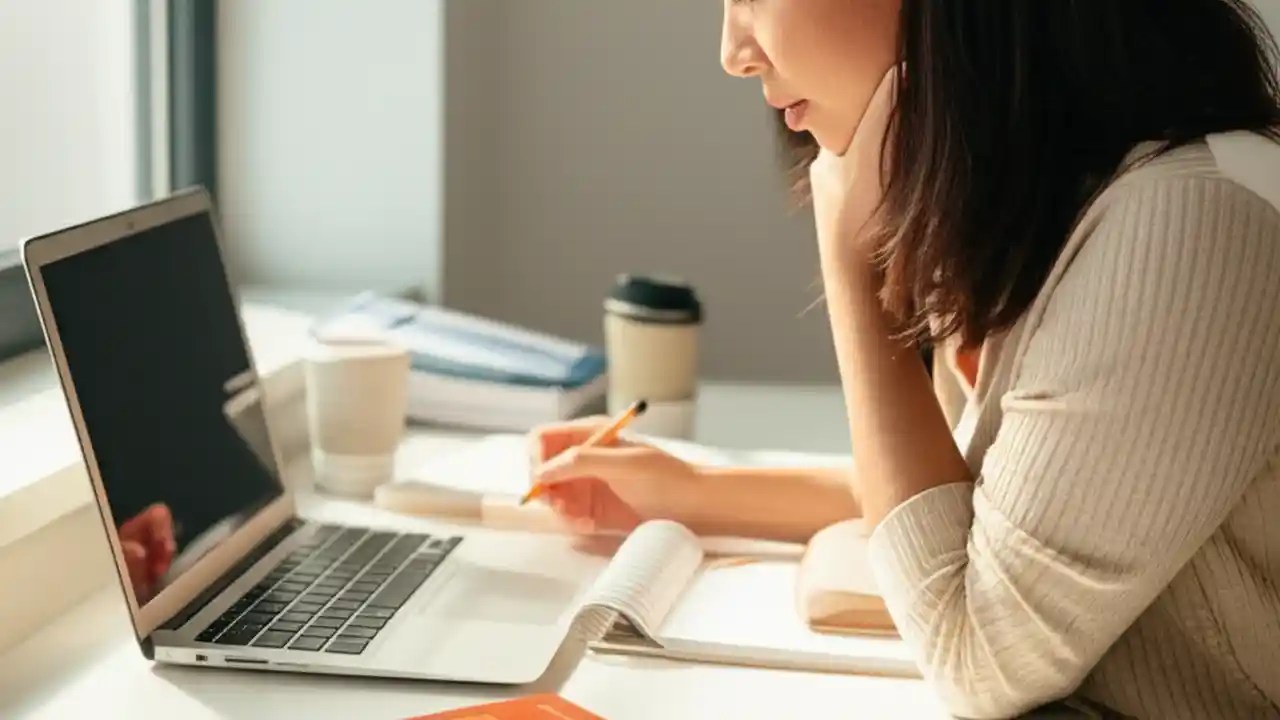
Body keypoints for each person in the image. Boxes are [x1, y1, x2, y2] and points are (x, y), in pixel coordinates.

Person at [527, 2, 1280, 718]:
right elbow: (990, 503)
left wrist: (848, 256)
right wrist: (692, 489)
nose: (732, 53)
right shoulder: (1054, 197)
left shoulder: (1192, 222)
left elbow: (976, 655)